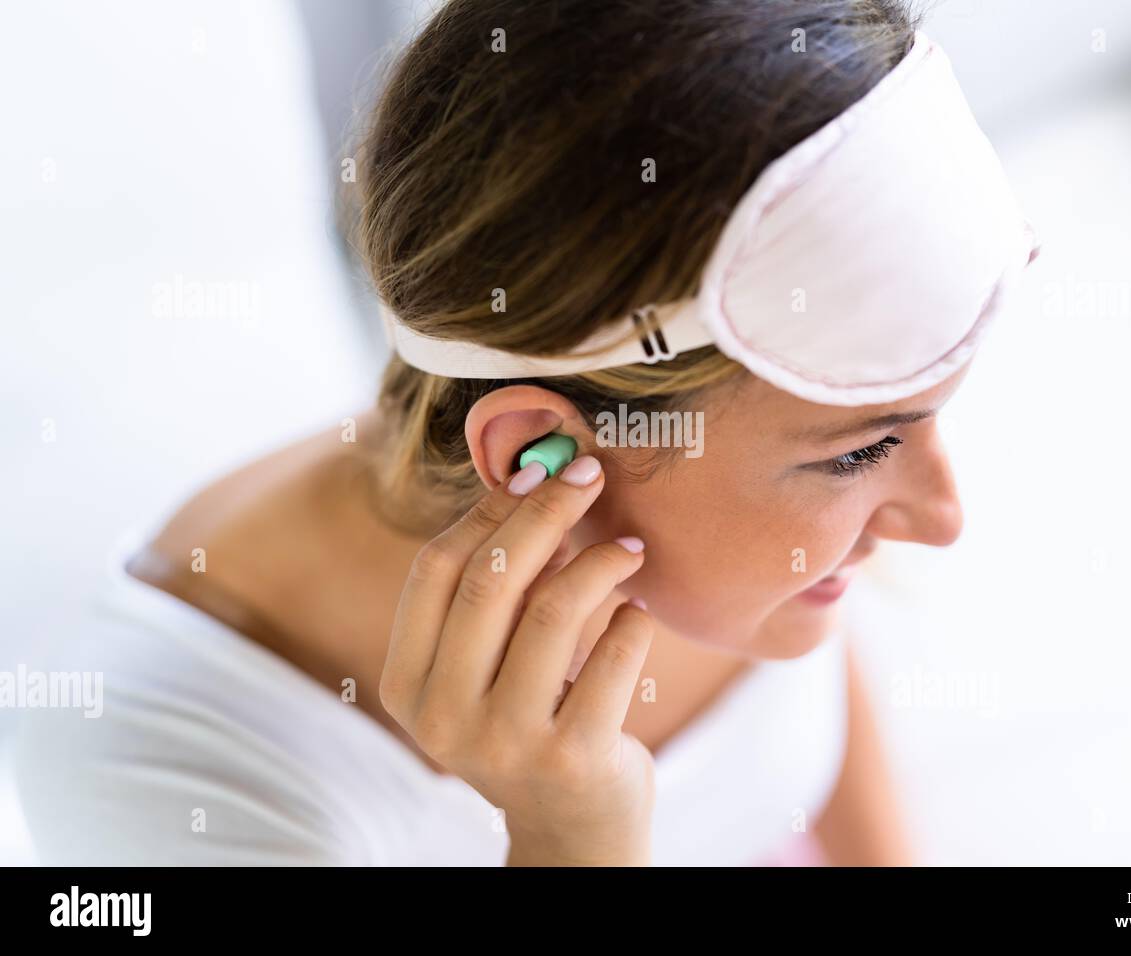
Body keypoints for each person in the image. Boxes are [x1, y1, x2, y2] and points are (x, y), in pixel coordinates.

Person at [15, 0, 1036, 865]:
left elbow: (812, 688)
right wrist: (565, 843)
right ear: (537, 457)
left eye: (919, 420)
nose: (942, 517)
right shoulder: (154, 782)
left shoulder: (715, 539)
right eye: (857, 451)